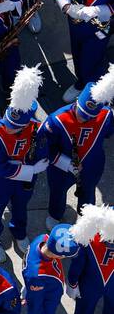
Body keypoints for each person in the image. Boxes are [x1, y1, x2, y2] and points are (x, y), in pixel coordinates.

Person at [18, 207, 101, 314]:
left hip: (47, 294)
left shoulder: (42, 240)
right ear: (58, 254)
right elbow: (34, 305)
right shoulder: (37, 276)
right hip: (41, 301)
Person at [0, 66, 51, 248]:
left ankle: (19, 232)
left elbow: (43, 154)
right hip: (2, 178)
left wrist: (38, 159)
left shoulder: (36, 129)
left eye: (14, 125)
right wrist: (30, 169)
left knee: (21, 207)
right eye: (8, 122)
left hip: (26, 178)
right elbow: (1, 167)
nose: (8, 127)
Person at [43, 63, 114, 226]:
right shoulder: (56, 120)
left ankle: (86, 220)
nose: (83, 118)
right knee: (57, 192)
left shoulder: (106, 116)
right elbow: (44, 147)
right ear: (77, 101)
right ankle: (55, 215)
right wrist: (66, 163)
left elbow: (109, 132)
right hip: (62, 167)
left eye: (88, 116)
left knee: (88, 193)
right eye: (81, 112)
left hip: (92, 164)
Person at [65, 203, 114, 314]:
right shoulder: (90, 240)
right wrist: (72, 283)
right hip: (90, 282)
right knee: (85, 306)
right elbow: (77, 265)